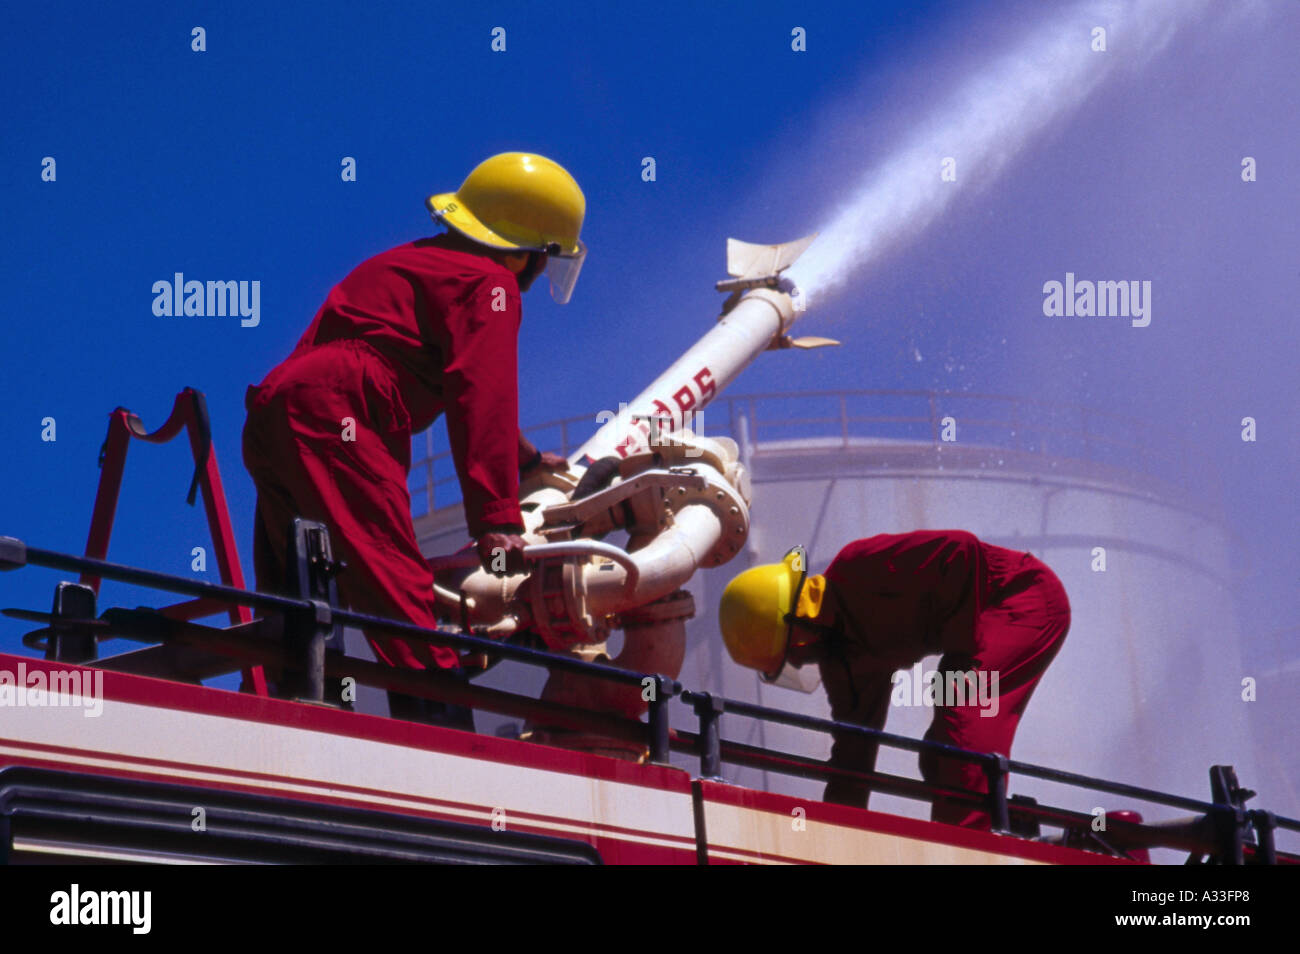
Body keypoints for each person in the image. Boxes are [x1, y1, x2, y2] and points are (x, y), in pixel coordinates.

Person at [242, 152, 584, 722]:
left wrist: (522, 459)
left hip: (281, 408)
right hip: (339, 407)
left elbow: (444, 374)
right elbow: (481, 392)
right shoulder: (492, 283)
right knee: (394, 586)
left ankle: (289, 726)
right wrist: (497, 523)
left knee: (300, 590)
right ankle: (443, 742)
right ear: (526, 251)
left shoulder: (420, 261)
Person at [717, 530, 1070, 828]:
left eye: (793, 651)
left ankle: (969, 848)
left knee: (962, 713)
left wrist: (961, 657)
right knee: (937, 757)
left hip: (1021, 597)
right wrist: (837, 834)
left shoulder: (859, 566)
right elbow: (852, 754)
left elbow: (959, 550)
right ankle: (983, 831)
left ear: (800, 621)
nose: (801, 660)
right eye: (790, 662)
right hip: (974, 631)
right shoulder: (843, 663)